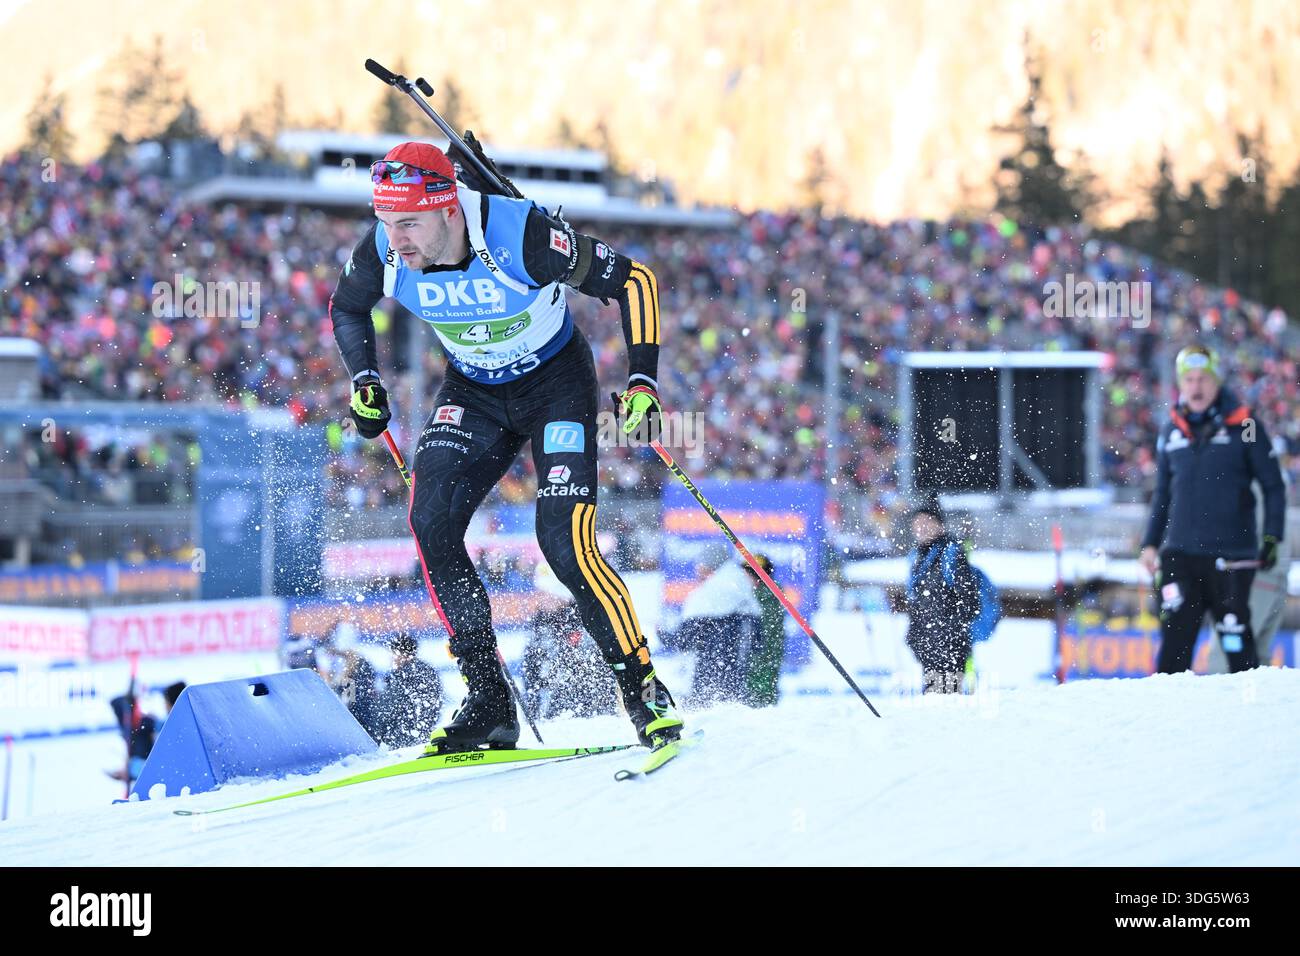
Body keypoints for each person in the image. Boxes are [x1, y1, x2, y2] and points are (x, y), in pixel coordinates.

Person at [329, 141, 683, 752]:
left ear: (449, 209)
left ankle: (643, 688)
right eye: (386, 223)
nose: (397, 240)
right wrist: (365, 378)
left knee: (563, 543)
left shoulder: (518, 236)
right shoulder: (384, 250)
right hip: (474, 390)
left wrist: (644, 381)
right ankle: (489, 701)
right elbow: (347, 307)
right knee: (430, 520)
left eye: (409, 223)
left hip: (556, 387)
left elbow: (634, 281)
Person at [1139, 345, 1286, 674]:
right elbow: (1162, 493)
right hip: (1179, 554)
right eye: (1189, 379)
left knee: (1238, 649)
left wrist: (1273, 535)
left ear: (1216, 381)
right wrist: (1149, 544)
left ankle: (1246, 714)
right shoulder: (1171, 429)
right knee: (1173, 651)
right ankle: (1168, 720)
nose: (1196, 386)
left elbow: (1273, 485)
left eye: (1203, 378)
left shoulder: (1244, 424)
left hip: (1232, 556)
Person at [903, 502, 980, 694]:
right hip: (929, 648)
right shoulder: (917, 557)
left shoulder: (951, 554)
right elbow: (917, 603)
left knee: (948, 705)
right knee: (933, 704)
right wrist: (915, 638)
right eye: (917, 523)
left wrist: (949, 635)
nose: (921, 527)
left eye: (927, 522)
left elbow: (971, 602)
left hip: (950, 649)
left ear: (941, 525)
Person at [679, 559, 762, 705]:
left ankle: (701, 706)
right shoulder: (737, 584)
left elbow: (688, 630)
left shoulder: (711, 590)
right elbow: (753, 617)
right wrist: (756, 643)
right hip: (730, 648)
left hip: (712, 649)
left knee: (705, 685)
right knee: (730, 686)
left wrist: (672, 638)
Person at [108, 681, 186, 785]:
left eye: (165, 703)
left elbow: (160, 769)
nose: (164, 706)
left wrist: (131, 768)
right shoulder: (180, 721)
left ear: (173, 703)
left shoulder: (175, 729)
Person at [375, 633, 444, 747]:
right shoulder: (426, 670)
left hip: (402, 737)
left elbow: (386, 708)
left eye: (394, 654)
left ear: (405, 655)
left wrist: (378, 732)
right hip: (424, 733)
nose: (391, 658)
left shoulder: (402, 675)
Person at [740, 554, 785, 708]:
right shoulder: (764, 596)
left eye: (746, 574)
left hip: (761, 660)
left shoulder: (763, 599)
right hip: (760, 660)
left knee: (760, 702)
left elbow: (767, 637)